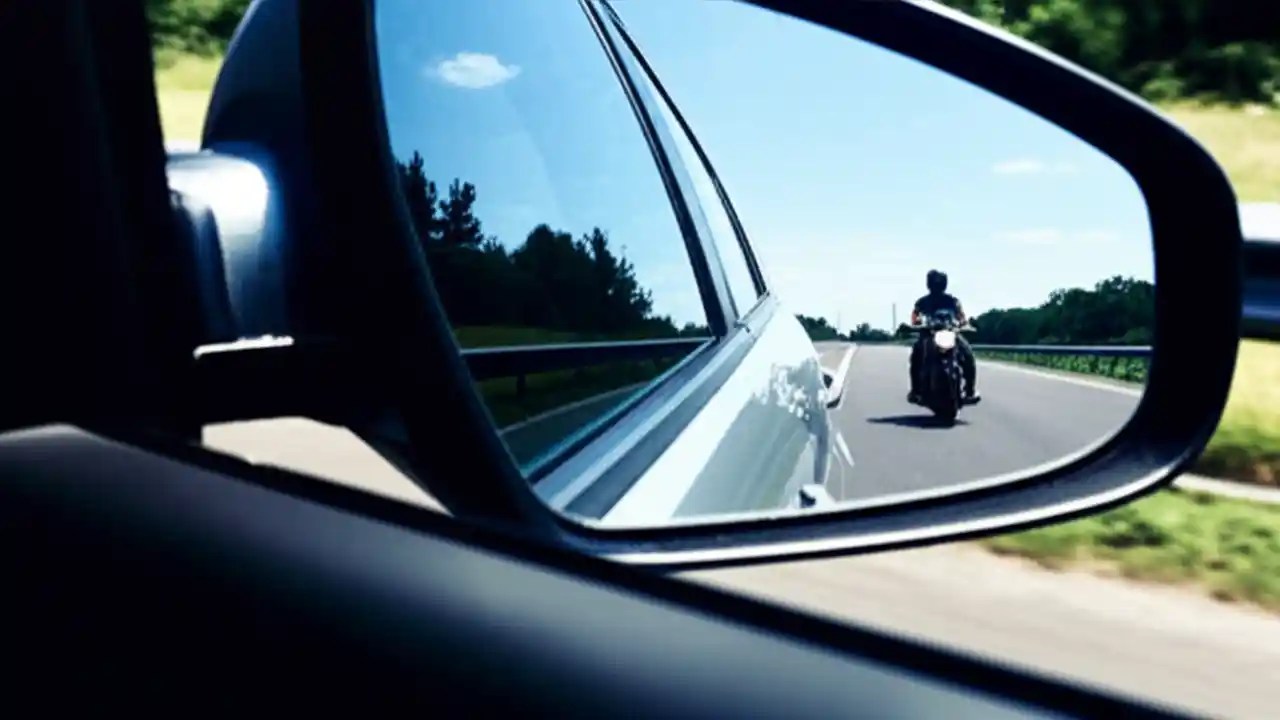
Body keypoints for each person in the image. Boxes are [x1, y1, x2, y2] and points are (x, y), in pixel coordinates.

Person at [908, 269, 979, 404]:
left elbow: (961, 315)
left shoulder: (952, 301)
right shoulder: (922, 302)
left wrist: (964, 324)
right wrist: (916, 323)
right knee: (916, 356)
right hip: (929, 334)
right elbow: (915, 315)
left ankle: (970, 390)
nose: (937, 286)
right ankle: (915, 390)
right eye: (935, 283)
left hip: (950, 333)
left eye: (939, 283)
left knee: (968, 355)